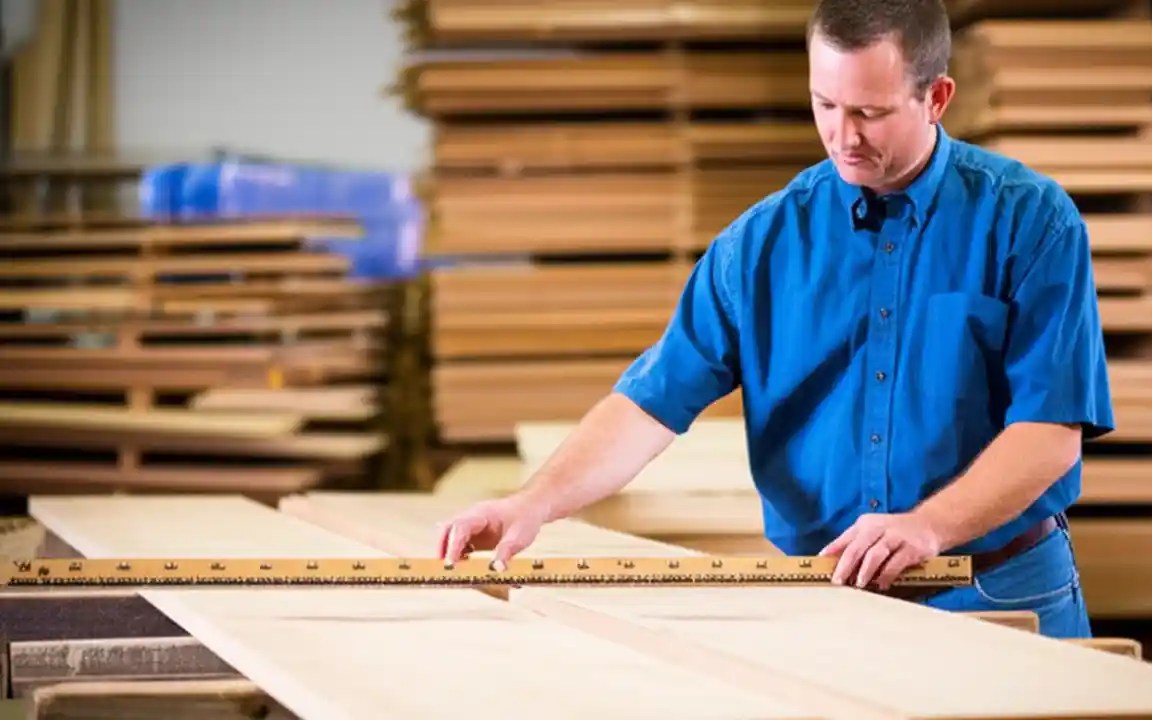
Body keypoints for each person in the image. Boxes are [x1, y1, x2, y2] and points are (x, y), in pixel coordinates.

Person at [431, 0, 1114, 639]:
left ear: (936, 97)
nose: (843, 137)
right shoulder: (759, 244)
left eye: (870, 113)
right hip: (830, 598)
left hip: (1000, 588)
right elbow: (650, 402)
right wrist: (532, 503)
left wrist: (928, 526)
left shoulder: (1030, 220)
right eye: (825, 104)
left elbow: (1050, 434)